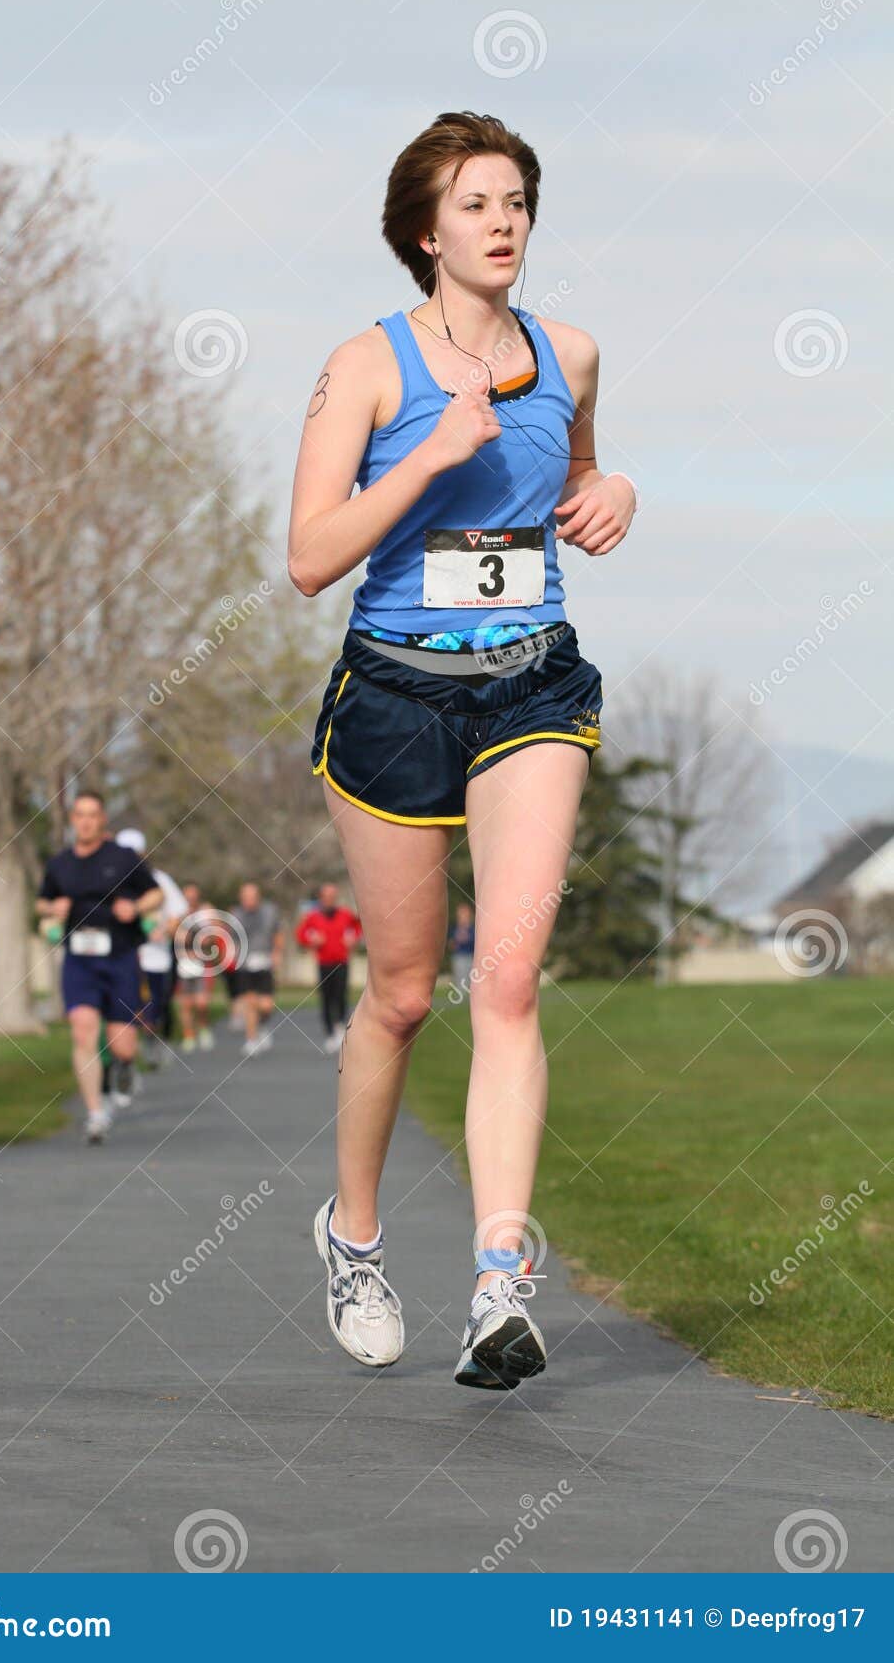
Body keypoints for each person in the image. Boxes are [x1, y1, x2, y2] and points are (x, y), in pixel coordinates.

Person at [288, 113, 636, 1384]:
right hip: (391, 693)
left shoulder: (570, 354)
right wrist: (430, 451)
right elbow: (309, 555)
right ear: (424, 232)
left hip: (528, 684)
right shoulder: (367, 366)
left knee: (505, 980)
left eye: (516, 201)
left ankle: (499, 1283)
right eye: (476, 203)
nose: (502, 222)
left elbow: (577, 475)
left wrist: (616, 493)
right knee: (397, 991)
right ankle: (357, 1238)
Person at [36, 792, 163, 1143]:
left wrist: (135, 908)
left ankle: (124, 1067)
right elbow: (42, 901)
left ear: (103, 819)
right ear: (72, 820)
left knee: (122, 1045)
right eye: (80, 815)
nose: (86, 821)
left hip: (119, 956)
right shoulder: (60, 864)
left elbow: (156, 894)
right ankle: (95, 1114)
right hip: (79, 958)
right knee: (82, 1030)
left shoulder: (122, 858)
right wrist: (52, 910)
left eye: (93, 815)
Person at [115, 829, 185, 1067]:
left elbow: (177, 913)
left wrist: (163, 930)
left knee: (156, 1006)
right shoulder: (110, 881)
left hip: (157, 958)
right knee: (129, 1008)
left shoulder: (160, 881)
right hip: (125, 956)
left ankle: (153, 1040)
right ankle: (127, 1058)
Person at [295, 883, 362, 1053]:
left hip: (342, 962)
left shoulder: (345, 914)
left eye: (333, 896)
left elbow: (358, 927)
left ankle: (340, 1028)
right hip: (324, 963)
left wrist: (353, 939)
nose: (330, 900)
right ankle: (330, 1032)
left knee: (340, 995)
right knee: (326, 997)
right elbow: (301, 934)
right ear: (321, 898)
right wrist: (312, 941)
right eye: (326, 897)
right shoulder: (313, 917)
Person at [231, 881, 284, 1056]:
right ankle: (251, 1040)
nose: (249, 900)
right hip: (245, 964)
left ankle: (262, 1026)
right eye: (245, 897)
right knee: (250, 1002)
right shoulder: (236, 914)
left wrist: (277, 953)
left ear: (258, 897)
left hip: (264, 962)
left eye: (252, 897)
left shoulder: (270, 911)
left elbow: (278, 934)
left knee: (266, 1005)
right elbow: (230, 938)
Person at [175, 881, 217, 1051]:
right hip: (183, 963)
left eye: (193, 896)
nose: (190, 899)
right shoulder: (178, 913)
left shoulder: (206, 912)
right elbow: (176, 937)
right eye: (187, 896)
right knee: (185, 1004)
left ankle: (204, 1027)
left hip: (201, 962)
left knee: (201, 1003)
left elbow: (210, 938)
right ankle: (188, 1035)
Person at [448, 902, 476, 999]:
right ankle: (460, 997)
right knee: (460, 977)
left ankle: (471, 997)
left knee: (471, 978)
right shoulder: (455, 928)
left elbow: (475, 942)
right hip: (458, 957)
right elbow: (451, 944)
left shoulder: (473, 928)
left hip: (470, 956)